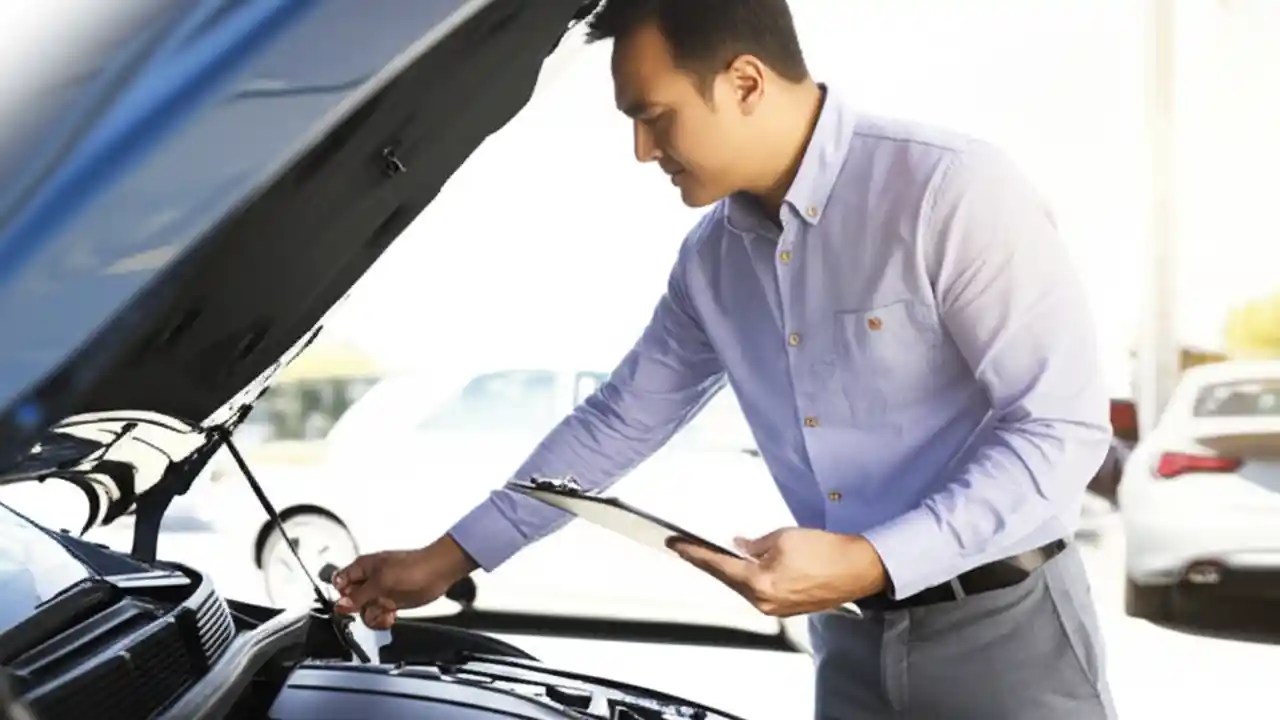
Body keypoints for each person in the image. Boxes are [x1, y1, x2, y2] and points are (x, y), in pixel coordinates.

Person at [332, 1, 1117, 717]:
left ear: (745, 82)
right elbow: (620, 419)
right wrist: (445, 559)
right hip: (847, 641)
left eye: (654, 116)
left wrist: (874, 559)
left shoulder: (950, 191)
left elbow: (1060, 427)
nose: (642, 150)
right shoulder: (712, 261)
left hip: (1008, 632)